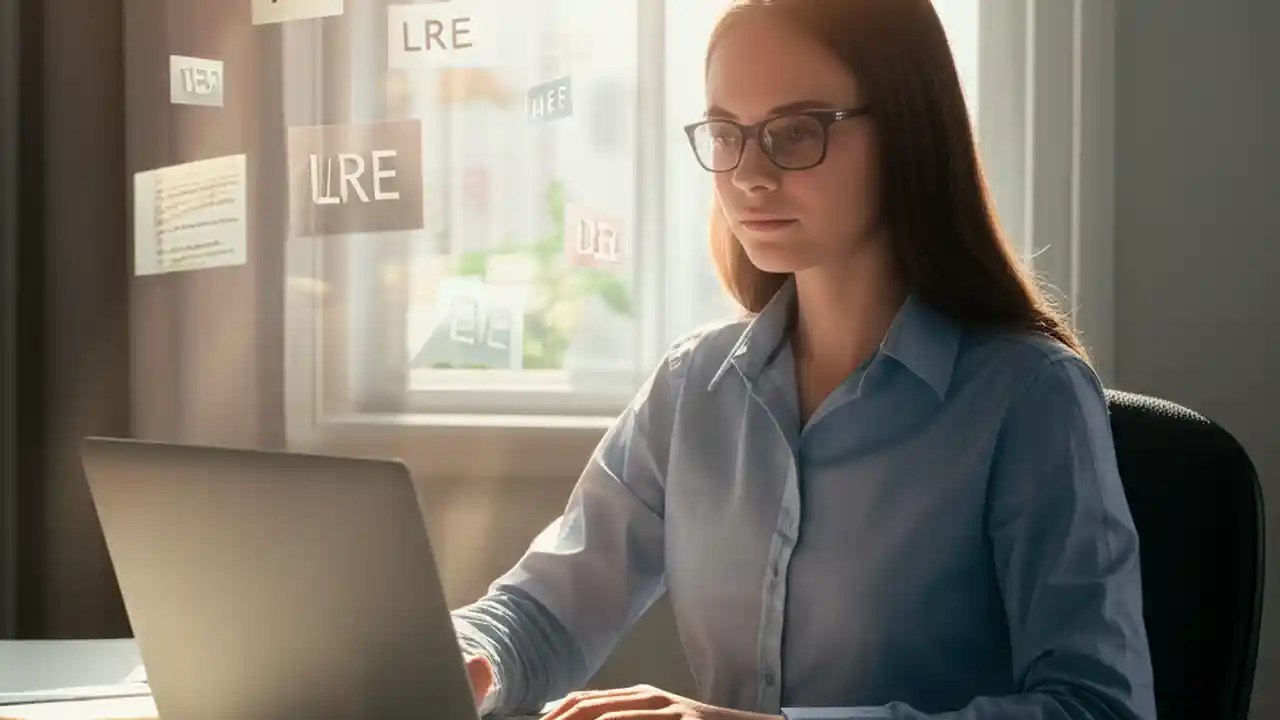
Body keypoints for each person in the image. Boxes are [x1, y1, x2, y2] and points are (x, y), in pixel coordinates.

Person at [452, 0, 1156, 718]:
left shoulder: (1029, 397)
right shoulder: (695, 386)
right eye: (727, 133)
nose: (749, 175)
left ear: (908, 133)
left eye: (795, 132)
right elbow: (542, 615)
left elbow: (1098, 707)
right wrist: (446, 657)